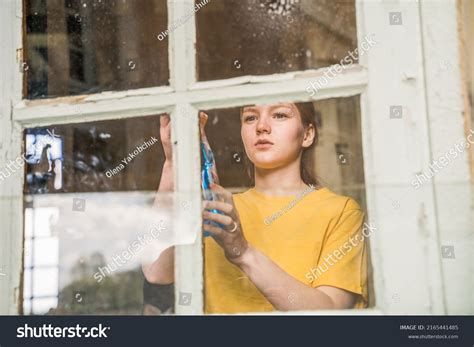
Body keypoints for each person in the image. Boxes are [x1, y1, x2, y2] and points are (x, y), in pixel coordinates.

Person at [143, 102, 368, 313]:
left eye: (279, 115)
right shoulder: (221, 209)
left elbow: (330, 315)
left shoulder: (341, 212)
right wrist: (173, 164)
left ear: (307, 135)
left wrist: (242, 251)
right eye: (250, 118)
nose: (261, 126)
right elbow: (156, 271)